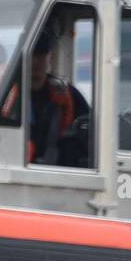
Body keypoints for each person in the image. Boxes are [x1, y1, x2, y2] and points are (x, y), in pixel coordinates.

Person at [28, 30, 90, 166]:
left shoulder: (69, 94)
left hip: (57, 166)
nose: (35, 61)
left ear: (50, 57)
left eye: (40, 54)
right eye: (31, 53)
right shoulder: (7, 94)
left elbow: (88, 127)